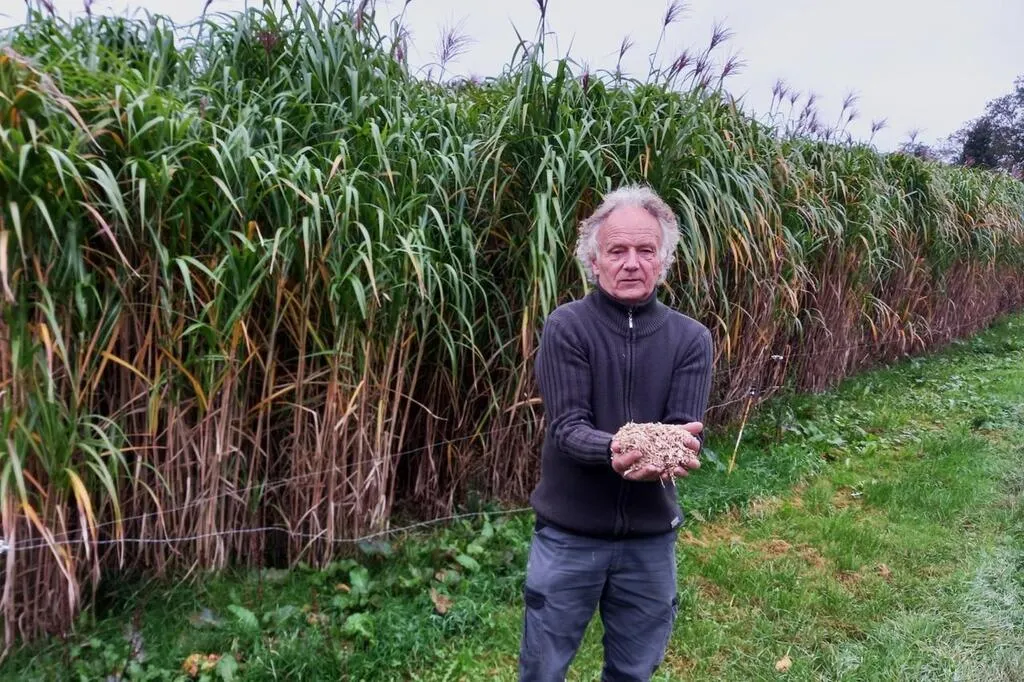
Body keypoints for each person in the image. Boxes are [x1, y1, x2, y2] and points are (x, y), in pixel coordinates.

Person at [519, 185, 714, 682]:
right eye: (617, 250)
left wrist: (678, 450)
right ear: (595, 261)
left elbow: (682, 427)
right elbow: (567, 428)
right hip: (568, 536)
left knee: (633, 671)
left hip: (649, 540)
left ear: (663, 261)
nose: (632, 263)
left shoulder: (691, 338)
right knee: (543, 670)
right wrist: (619, 448)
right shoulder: (567, 327)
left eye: (646, 250)